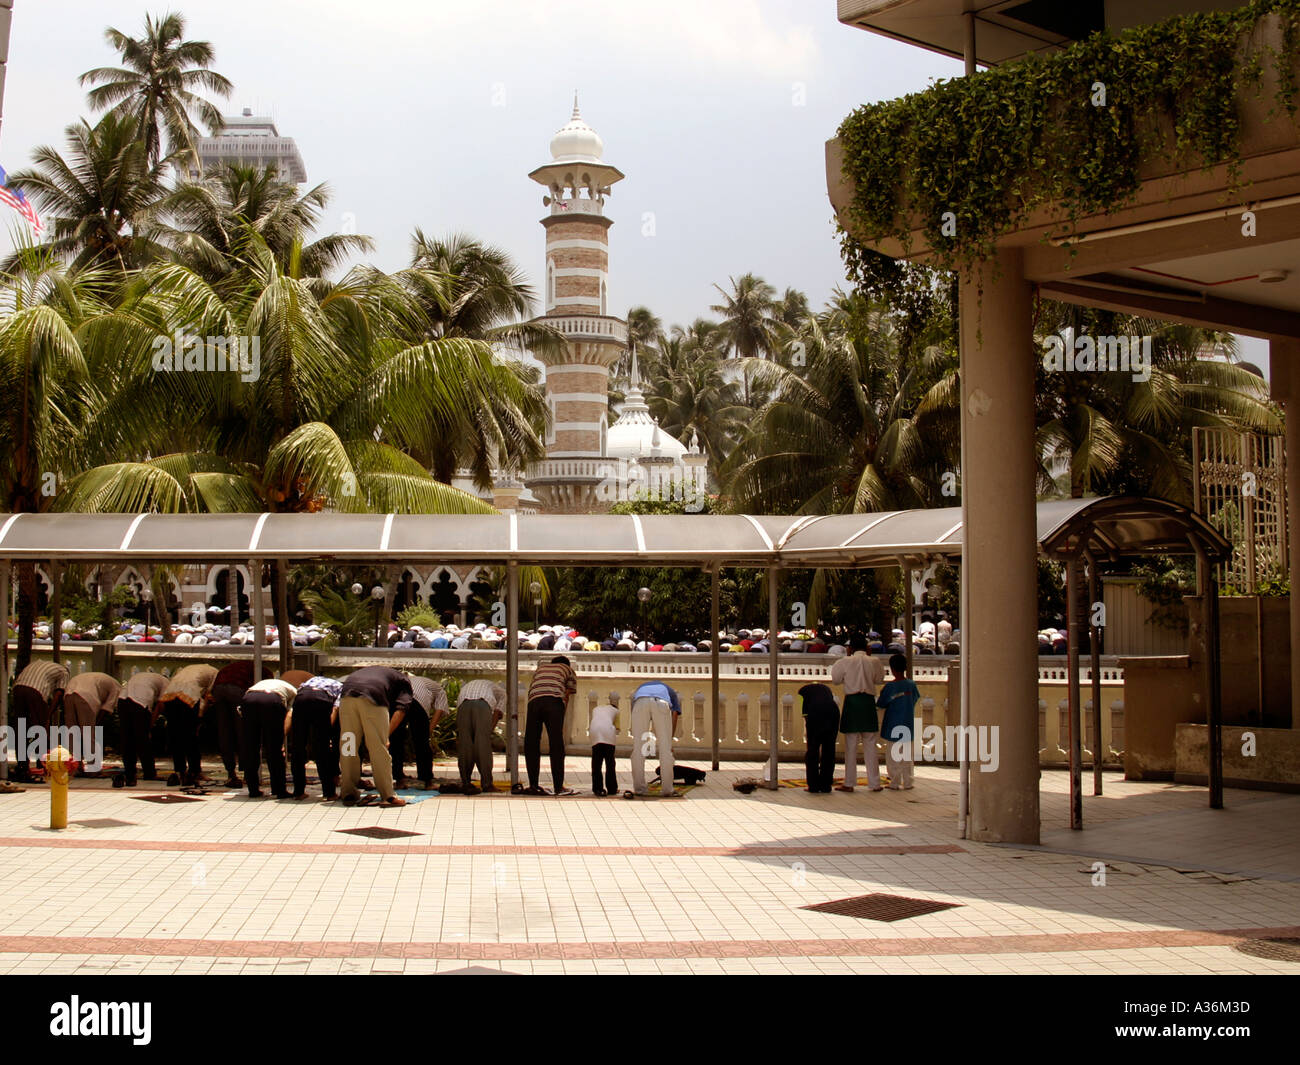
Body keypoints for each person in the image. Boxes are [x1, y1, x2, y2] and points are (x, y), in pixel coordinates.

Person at [337, 666, 410, 807]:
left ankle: (348, 793)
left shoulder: (374, 672)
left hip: (347, 696)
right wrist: (386, 735)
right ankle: (388, 796)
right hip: (373, 696)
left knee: (349, 745)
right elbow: (401, 710)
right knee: (378, 748)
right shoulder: (404, 681)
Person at [830, 634, 884, 792]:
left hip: (852, 703)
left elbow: (836, 680)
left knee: (851, 745)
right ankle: (875, 783)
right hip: (868, 702)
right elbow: (880, 679)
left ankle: (849, 782)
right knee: (871, 744)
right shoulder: (874, 661)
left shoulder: (844, 662)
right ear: (867, 648)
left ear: (849, 649)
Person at [524, 655, 577, 795]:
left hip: (534, 701)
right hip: (554, 701)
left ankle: (533, 785)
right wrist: (561, 713)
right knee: (556, 744)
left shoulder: (540, 669)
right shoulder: (568, 669)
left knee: (532, 743)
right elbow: (567, 693)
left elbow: (534, 687)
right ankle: (559, 787)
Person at [158, 663, 218, 786]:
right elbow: (208, 697)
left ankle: (180, 771)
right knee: (190, 737)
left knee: (176, 736)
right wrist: (200, 717)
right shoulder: (216, 674)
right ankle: (194, 772)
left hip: (170, 695)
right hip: (189, 695)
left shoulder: (189, 668)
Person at [239, 675, 298, 797]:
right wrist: (281, 739)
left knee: (251, 748)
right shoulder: (294, 692)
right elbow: (290, 716)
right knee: (274, 749)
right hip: (272, 700)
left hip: (249, 698)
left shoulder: (262, 683)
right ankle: (279, 790)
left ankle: (253, 789)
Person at [11, 660, 69, 782]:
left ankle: (22, 767)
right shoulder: (64, 672)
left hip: (18, 688)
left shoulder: (38, 663)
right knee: (40, 729)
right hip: (35, 691)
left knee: (21, 729)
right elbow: (59, 694)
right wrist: (48, 715)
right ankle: (44, 765)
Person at [208, 659, 259, 788]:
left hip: (218, 690)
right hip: (237, 690)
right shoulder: (262, 671)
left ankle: (231, 773)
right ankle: (248, 774)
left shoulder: (231, 667)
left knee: (224, 731)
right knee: (243, 732)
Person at [290, 674, 343, 800]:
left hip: (301, 698)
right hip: (321, 700)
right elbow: (335, 709)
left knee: (298, 747)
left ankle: (298, 792)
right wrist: (327, 732)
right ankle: (329, 793)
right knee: (322, 749)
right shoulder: (341, 687)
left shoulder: (310, 681)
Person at [392, 673, 449, 788]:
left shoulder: (408, 680)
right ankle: (426, 780)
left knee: (396, 740)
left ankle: (399, 779)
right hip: (418, 702)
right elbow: (439, 710)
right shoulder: (440, 690)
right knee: (422, 743)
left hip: (399, 699)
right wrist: (428, 732)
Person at [62, 671, 121, 775]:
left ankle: (74, 767)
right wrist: (96, 723)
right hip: (87, 696)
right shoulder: (118, 688)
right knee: (88, 734)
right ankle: (93, 767)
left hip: (69, 692)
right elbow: (107, 709)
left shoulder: (104, 679)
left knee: (72, 733)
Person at [629, 679, 681, 797]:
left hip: (640, 703)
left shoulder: (641, 688)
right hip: (661, 703)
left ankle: (639, 789)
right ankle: (668, 789)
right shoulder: (670, 691)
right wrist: (669, 741)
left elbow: (634, 711)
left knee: (638, 748)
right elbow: (675, 714)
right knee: (665, 750)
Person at [118, 670, 168, 786]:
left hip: (122, 701)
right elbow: (160, 705)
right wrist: (150, 724)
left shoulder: (143, 676)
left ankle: (130, 774)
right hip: (140, 702)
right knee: (143, 740)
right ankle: (149, 773)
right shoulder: (166, 682)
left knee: (127, 739)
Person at [879, 654, 921, 790]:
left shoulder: (890, 687)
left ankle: (895, 782)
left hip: (893, 724)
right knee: (907, 755)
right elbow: (915, 699)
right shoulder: (911, 685)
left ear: (892, 669)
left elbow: (882, 703)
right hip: (907, 723)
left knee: (893, 755)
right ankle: (908, 781)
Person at [456, 677, 506, 793]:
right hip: (482, 704)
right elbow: (498, 712)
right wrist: (489, 730)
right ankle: (487, 784)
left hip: (463, 705)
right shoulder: (501, 692)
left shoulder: (469, 685)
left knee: (465, 745)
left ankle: (465, 783)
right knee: (482, 745)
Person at [798, 682, 840, 794]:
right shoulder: (826, 690)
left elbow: (805, 714)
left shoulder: (803, 693)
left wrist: (811, 733)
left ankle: (813, 786)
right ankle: (826, 786)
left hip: (815, 714)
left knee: (813, 751)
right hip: (833, 713)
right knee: (829, 750)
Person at [588, 702, 619, 796]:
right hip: (607, 732)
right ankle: (612, 788)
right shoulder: (616, 711)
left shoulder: (596, 709)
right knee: (610, 762)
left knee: (596, 762)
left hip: (594, 730)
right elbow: (618, 727)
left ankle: (597, 788)